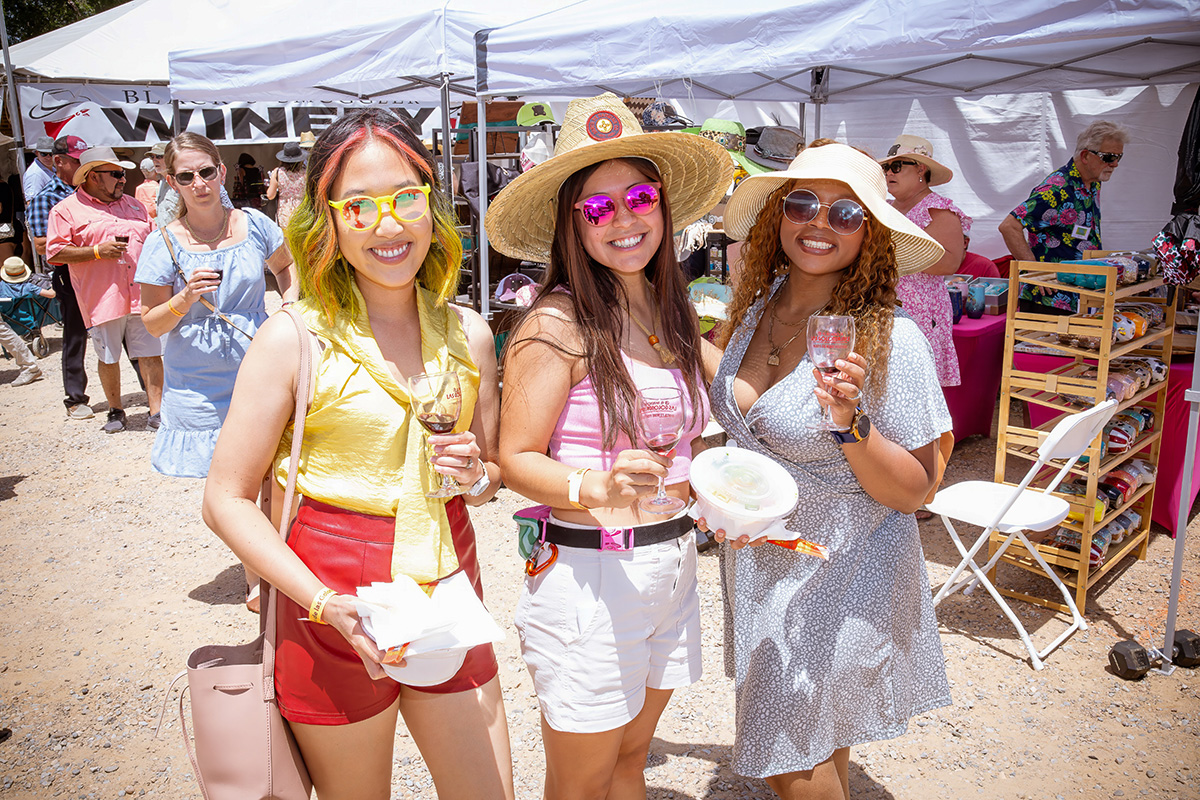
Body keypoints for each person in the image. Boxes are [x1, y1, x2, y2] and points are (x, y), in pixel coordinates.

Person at [201, 109, 513, 800]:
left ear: (431, 205)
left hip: (446, 585)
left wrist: (477, 476)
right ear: (330, 220)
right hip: (328, 602)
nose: (388, 224)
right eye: (360, 206)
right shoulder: (291, 339)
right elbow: (224, 497)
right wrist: (318, 601)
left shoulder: (471, 333)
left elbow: (490, 473)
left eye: (405, 197)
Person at [487, 92, 732, 800]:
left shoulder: (669, 308)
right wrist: (588, 486)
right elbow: (515, 459)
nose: (623, 219)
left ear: (663, 205)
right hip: (590, 581)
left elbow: (740, 400)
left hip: (672, 562)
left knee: (630, 763)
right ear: (573, 227)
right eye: (597, 209)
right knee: (581, 782)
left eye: (639, 196)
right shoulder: (555, 323)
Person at [705, 140, 952, 800]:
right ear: (777, 216)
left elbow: (918, 487)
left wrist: (851, 422)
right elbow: (746, 410)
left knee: (791, 756)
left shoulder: (889, 337)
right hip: (765, 564)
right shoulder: (758, 310)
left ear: (870, 234)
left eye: (845, 213)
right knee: (814, 741)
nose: (819, 222)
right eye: (803, 203)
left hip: (842, 569)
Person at [137, 132, 296, 611]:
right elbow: (150, 321)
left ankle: (270, 570)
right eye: (186, 176)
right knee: (233, 488)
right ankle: (260, 575)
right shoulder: (162, 242)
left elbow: (287, 269)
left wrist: (290, 305)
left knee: (274, 474)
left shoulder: (254, 224)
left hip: (260, 366)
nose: (199, 183)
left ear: (221, 171)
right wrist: (184, 298)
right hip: (199, 381)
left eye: (206, 171)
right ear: (172, 183)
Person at [45, 146, 162, 434]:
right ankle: (115, 409)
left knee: (150, 353)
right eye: (117, 174)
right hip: (102, 297)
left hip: (139, 293)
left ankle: (157, 410)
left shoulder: (134, 205)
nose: (123, 179)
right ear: (93, 177)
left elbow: (153, 240)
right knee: (109, 356)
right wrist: (97, 251)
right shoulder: (66, 210)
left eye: (123, 174)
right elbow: (56, 252)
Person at [999, 120, 1129, 313]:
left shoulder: (1093, 183)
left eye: (1119, 157)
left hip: (1079, 296)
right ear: (1085, 155)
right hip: (1049, 300)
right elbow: (1009, 226)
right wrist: (1034, 269)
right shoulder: (1056, 189)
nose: (1115, 164)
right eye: (1108, 157)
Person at [879, 134, 971, 388]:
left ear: (921, 169)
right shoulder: (883, 206)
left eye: (896, 166)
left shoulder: (938, 210)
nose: (888, 173)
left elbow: (950, 262)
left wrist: (889, 255)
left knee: (913, 385)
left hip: (919, 313)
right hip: (882, 306)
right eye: (886, 167)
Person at [28, 135, 92, 419]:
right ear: (58, 162)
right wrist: (90, 244)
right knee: (75, 335)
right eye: (77, 160)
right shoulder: (47, 199)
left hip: (98, 267)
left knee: (127, 329)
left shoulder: (90, 192)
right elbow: (43, 246)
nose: (83, 165)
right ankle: (75, 398)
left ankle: (151, 391)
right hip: (69, 273)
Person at [0, 257, 54, 386]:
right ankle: (29, 367)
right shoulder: (29, 287)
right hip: (25, 320)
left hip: (9, 318)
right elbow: (51, 294)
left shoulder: (2, 287)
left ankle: (29, 367)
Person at [265, 141, 306, 232]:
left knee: (286, 242)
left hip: (285, 213)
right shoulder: (306, 172)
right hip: (303, 211)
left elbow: (270, 195)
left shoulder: (278, 172)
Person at [22, 136, 57, 204]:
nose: (48, 157)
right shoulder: (35, 174)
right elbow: (32, 203)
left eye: (51, 154)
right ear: (37, 153)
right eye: (43, 154)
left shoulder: (52, 169)